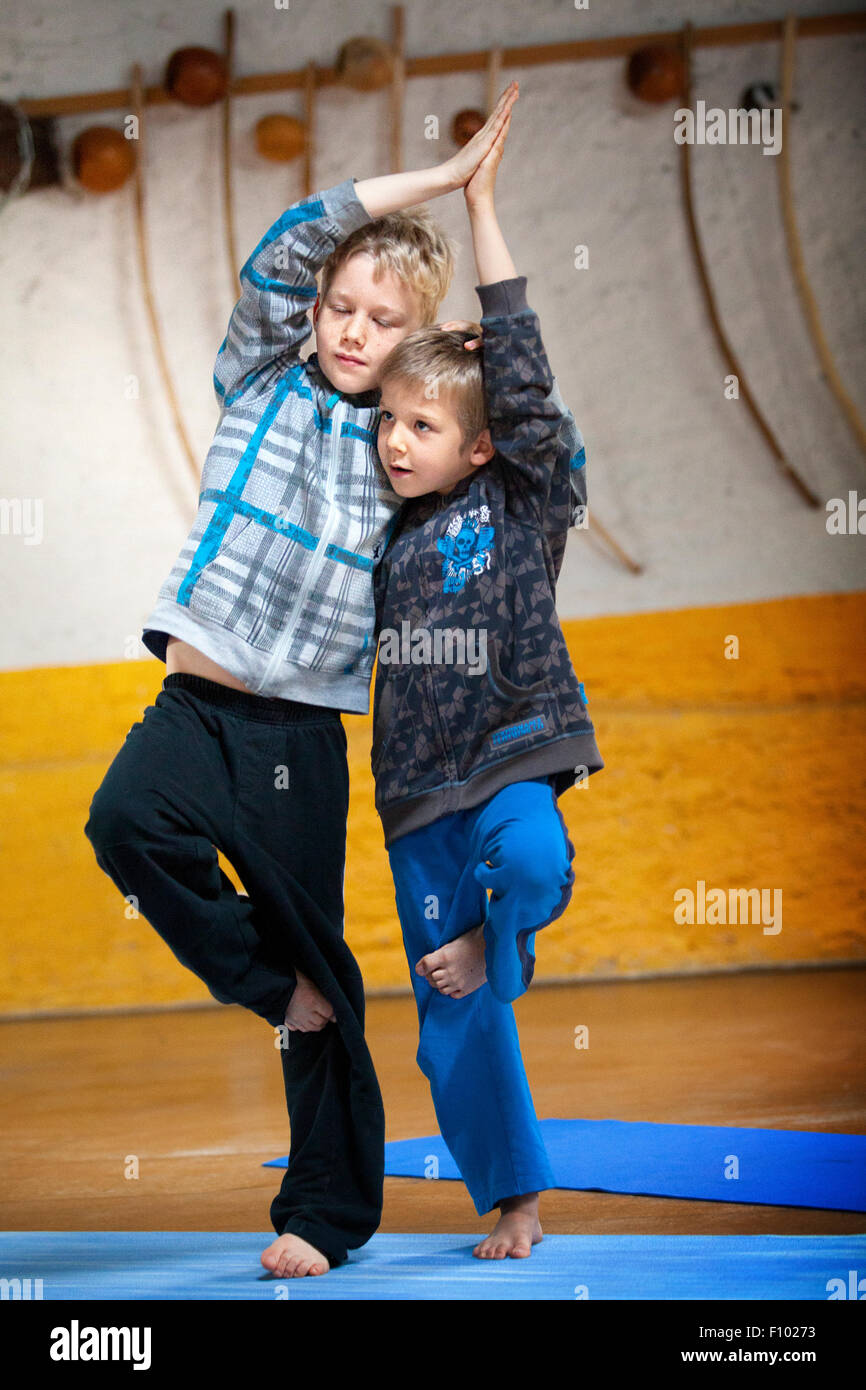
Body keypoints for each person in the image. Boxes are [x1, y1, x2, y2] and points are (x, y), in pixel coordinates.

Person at [83, 83, 522, 1279]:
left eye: (380, 320)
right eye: (339, 304)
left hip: (301, 733)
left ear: (408, 345)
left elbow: (501, 416)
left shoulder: (401, 445)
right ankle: (262, 983)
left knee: (325, 962)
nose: (348, 328)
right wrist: (438, 180)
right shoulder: (257, 377)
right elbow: (291, 235)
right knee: (123, 819)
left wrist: (467, 349)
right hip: (198, 697)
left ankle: (321, 1214)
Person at [370, 87, 604, 1258]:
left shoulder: (524, 501)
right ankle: (513, 1195)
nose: (394, 441)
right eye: (387, 424)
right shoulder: (384, 537)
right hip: (415, 794)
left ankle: (499, 943)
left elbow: (519, 386)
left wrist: (481, 215)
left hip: (512, 751)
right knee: (447, 1014)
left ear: (479, 447)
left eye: (420, 425)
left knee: (529, 858)